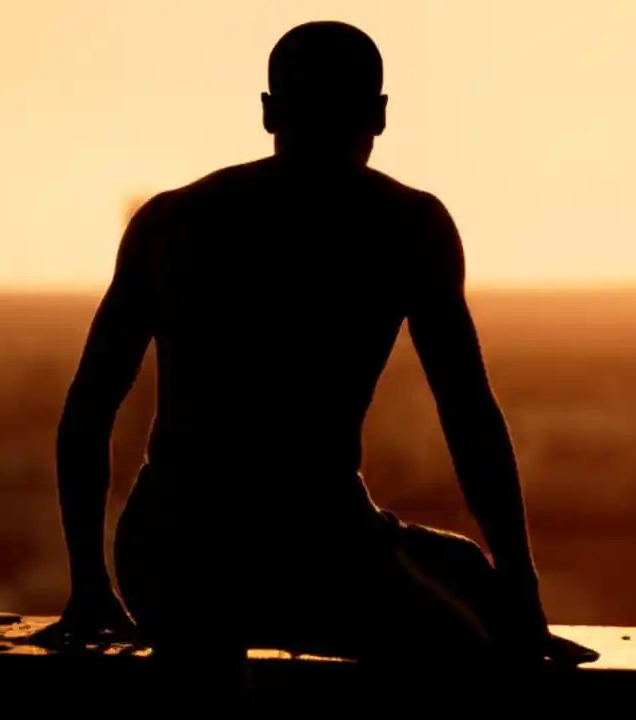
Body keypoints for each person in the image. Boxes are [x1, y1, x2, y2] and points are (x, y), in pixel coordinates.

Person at [34, 20, 597, 693]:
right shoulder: (406, 226)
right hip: (317, 542)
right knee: (466, 642)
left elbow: (89, 409)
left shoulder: (174, 222)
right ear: (380, 116)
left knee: (468, 573)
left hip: (174, 546)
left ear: (269, 110)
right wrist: (523, 594)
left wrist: (91, 583)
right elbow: (469, 416)